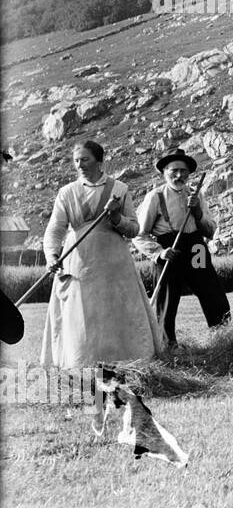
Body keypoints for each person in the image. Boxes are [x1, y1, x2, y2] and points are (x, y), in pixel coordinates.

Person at [41, 141, 164, 367]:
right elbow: (55, 229)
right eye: (76, 160)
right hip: (79, 263)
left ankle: (128, 364)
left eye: (85, 159)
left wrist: (116, 218)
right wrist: (51, 255)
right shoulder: (67, 193)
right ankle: (80, 365)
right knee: (81, 316)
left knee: (117, 314)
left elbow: (134, 229)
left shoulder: (119, 190)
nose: (80, 165)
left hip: (114, 265)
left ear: (99, 161)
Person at [134, 148, 231, 353]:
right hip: (170, 249)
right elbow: (139, 234)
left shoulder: (196, 194)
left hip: (196, 248)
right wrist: (158, 252)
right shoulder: (155, 197)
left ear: (189, 173)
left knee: (212, 293)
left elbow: (210, 230)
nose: (179, 175)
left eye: (184, 171)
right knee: (167, 300)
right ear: (164, 172)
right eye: (174, 170)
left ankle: (224, 340)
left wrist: (196, 211)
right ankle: (167, 346)